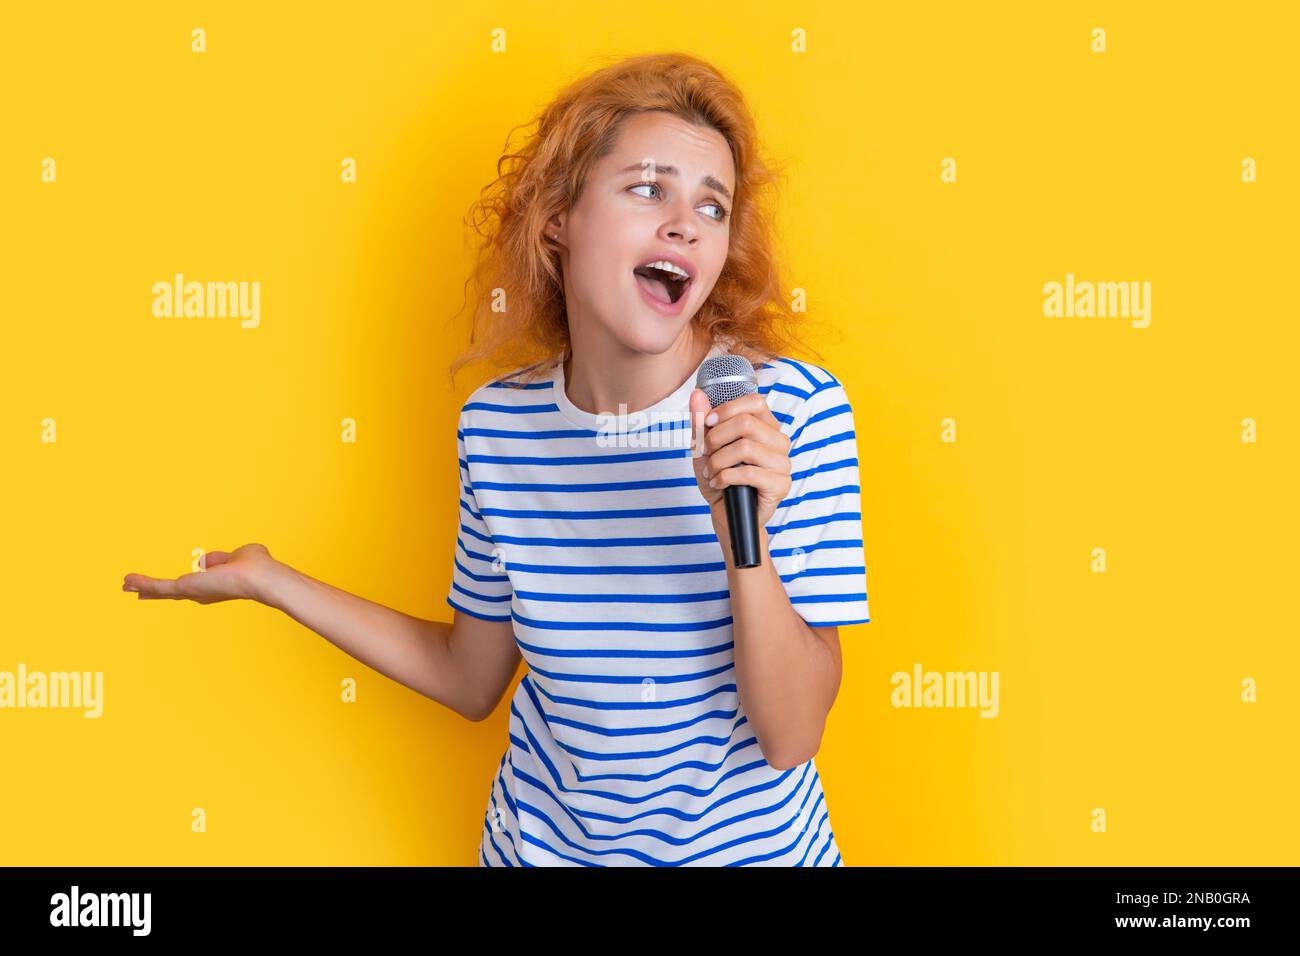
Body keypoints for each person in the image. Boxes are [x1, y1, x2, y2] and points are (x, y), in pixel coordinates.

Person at [122, 52, 870, 866]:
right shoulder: (499, 428)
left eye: (713, 206)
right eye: (650, 189)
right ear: (559, 217)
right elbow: (469, 677)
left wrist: (744, 542)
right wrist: (271, 581)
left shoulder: (787, 413)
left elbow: (792, 736)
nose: (687, 223)